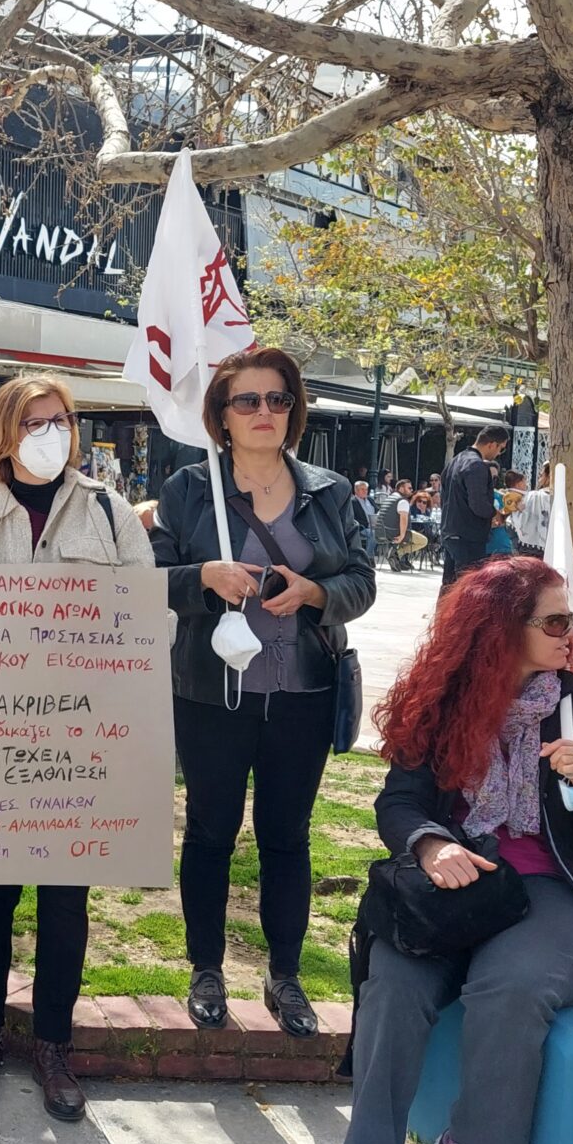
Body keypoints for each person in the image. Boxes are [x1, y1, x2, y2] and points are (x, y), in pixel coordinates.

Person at [323, 557, 573, 1144]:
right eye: (554, 621)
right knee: (393, 985)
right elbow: (400, 802)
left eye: (567, 619)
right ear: (501, 628)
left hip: (551, 892)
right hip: (454, 884)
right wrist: (428, 848)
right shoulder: (442, 699)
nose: (569, 635)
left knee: (510, 991)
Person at [0, 374, 155, 1122]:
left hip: (78, 737)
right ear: (6, 434)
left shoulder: (111, 516)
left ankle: (55, 1046)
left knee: (65, 901)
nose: (50, 433)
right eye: (34, 422)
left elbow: (137, 619)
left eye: (60, 420)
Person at [151, 347, 375, 1038]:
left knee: (287, 838)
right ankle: (206, 972)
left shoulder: (331, 493)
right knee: (211, 834)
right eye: (247, 401)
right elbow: (153, 578)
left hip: (302, 693)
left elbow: (363, 582)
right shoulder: (189, 489)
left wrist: (317, 593)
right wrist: (203, 578)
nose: (264, 413)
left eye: (277, 400)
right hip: (210, 694)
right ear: (221, 414)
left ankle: (285, 977)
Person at [440, 425, 509, 586]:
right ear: (492, 444)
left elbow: (444, 497)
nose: (499, 454)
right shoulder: (477, 465)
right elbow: (478, 504)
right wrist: (495, 513)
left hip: (450, 531)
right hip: (468, 536)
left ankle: (442, 612)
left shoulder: (455, 461)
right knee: (468, 587)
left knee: (450, 587)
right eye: (501, 449)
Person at [374, 478, 427, 572]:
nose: (411, 490)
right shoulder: (402, 501)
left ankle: (396, 556)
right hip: (394, 533)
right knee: (423, 541)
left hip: (380, 532)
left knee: (411, 537)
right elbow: (403, 519)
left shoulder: (389, 498)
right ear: (401, 489)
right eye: (409, 488)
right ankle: (397, 553)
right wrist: (402, 535)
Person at [508, 461, 551, 558]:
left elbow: (513, 523)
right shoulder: (565, 498)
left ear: (549, 477)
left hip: (530, 549)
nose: (539, 479)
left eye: (541, 475)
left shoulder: (532, 496)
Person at [350, 480, 375, 561]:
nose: (365, 491)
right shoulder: (352, 502)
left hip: (375, 525)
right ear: (356, 490)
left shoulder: (370, 500)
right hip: (362, 527)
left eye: (366, 489)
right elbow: (351, 518)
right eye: (362, 489)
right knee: (373, 533)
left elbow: (378, 511)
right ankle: (368, 558)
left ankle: (394, 556)